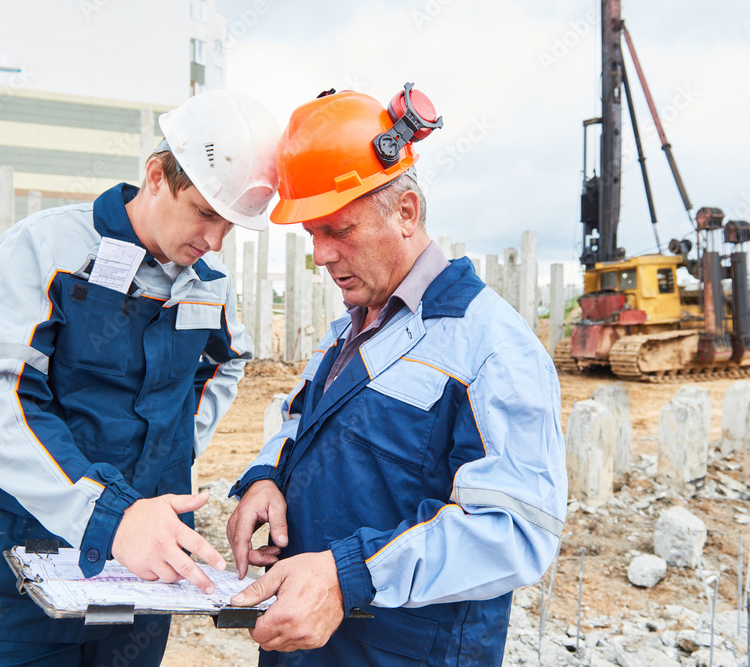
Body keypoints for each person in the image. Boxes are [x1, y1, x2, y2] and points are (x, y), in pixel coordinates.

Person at [226, 83, 568, 666]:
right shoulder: (350, 329)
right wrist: (266, 477)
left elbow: (516, 530)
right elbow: (301, 420)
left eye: (339, 229)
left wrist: (349, 575)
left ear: (405, 213)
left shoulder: (490, 346)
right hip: (306, 642)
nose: (321, 255)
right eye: (312, 234)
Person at [0, 89, 280, 666]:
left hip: (141, 583)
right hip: (18, 580)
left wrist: (176, 446)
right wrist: (108, 513)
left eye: (231, 226)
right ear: (155, 176)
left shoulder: (208, 282)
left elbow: (229, 361)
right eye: (204, 212)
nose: (215, 242)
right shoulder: (47, 249)